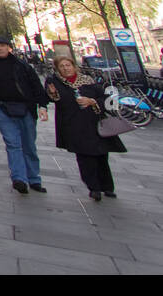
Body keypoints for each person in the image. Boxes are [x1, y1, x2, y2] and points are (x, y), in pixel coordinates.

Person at [0, 33, 50, 194]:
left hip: (26, 107)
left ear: (9, 47)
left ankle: (34, 178)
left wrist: (42, 105)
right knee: (13, 143)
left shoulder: (22, 65)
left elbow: (36, 85)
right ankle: (19, 178)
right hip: (1, 107)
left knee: (29, 144)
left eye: (3, 45)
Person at [44, 56, 126, 201]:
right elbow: (54, 99)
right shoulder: (54, 82)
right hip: (73, 124)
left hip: (95, 123)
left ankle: (107, 187)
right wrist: (53, 94)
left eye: (68, 65)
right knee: (84, 157)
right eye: (61, 66)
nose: (65, 68)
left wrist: (92, 101)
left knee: (101, 156)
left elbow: (106, 100)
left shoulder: (88, 81)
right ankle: (93, 187)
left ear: (74, 66)